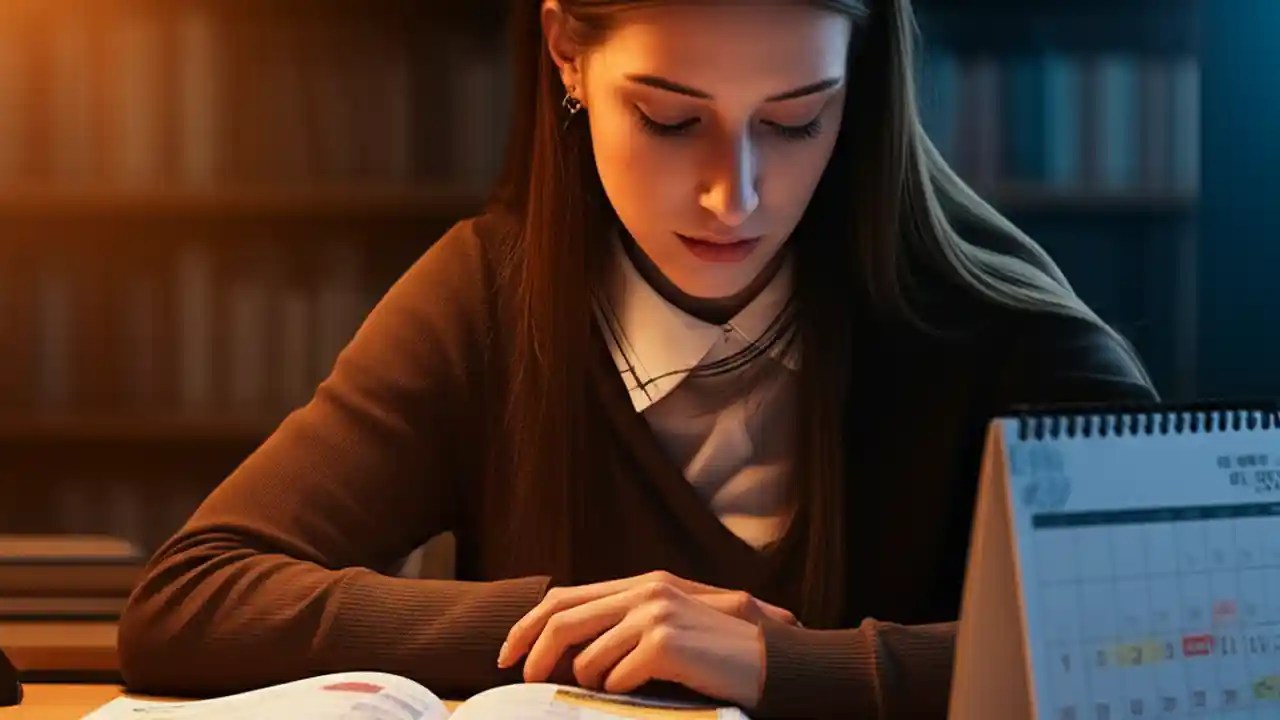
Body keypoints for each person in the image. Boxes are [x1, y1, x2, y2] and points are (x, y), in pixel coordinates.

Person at [117, 0, 1159, 717]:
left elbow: (1184, 649)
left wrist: (776, 664)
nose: (732, 195)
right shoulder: (489, 297)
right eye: (669, 120)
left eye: (796, 121)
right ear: (567, 52)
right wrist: (568, 628)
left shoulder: (1009, 334)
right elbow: (192, 602)